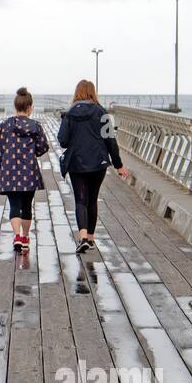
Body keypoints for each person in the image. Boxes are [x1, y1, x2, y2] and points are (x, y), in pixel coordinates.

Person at [57, 79, 130, 253]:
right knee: (92, 199)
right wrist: (119, 165)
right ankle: (90, 238)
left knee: (81, 200)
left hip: (77, 163)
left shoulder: (69, 114)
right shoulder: (102, 112)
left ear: (77, 93)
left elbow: (63, 141)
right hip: (98, 163)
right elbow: (111, 141)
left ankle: (82, 237)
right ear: (92, 92)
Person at [0, 87, 49, 254]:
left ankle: (16, 236)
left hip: (9, 172)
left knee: (14, 205)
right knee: (27, 206)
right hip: (29, 172)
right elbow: (43, 147)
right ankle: (25, 237)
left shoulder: (4, 126)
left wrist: (8, 150)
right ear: (30, 107)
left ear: (16, 106)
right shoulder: (35, 126)